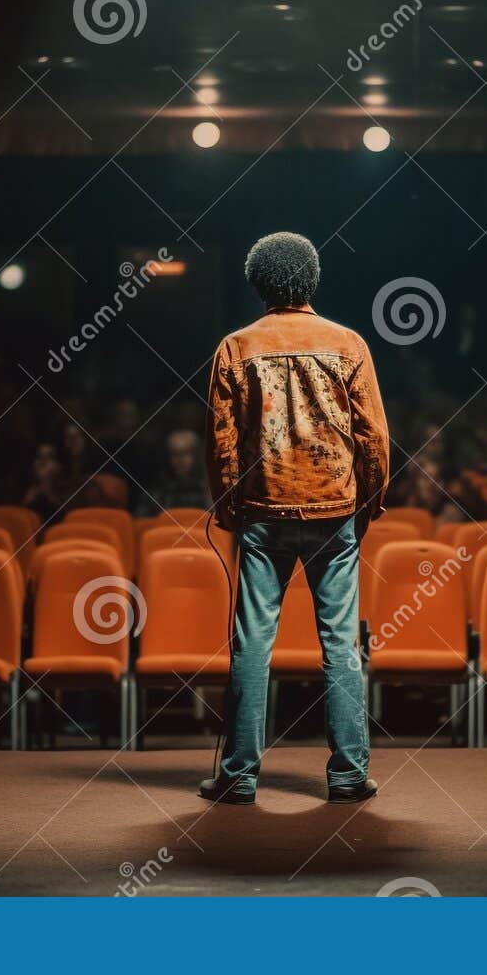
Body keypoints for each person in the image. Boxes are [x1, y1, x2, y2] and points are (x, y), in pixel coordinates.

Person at [203, 231, 387, 806]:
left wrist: (229, 504)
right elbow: (374, 437)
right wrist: (370, 501)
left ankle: (238, 777)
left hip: (262, 513)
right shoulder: (348, 343)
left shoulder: (235, 347)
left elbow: (222, 442)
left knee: (252, 642)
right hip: (336, 512)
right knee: (339, 642)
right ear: (312, 279)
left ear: (258, 282)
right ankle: (349, 775)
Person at [136, 429, 210, 515]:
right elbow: (142, 524)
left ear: (197, 455)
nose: (180, 459)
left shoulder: (210, 491)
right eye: (175, 453)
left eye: (186, 452)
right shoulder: (155, 493)